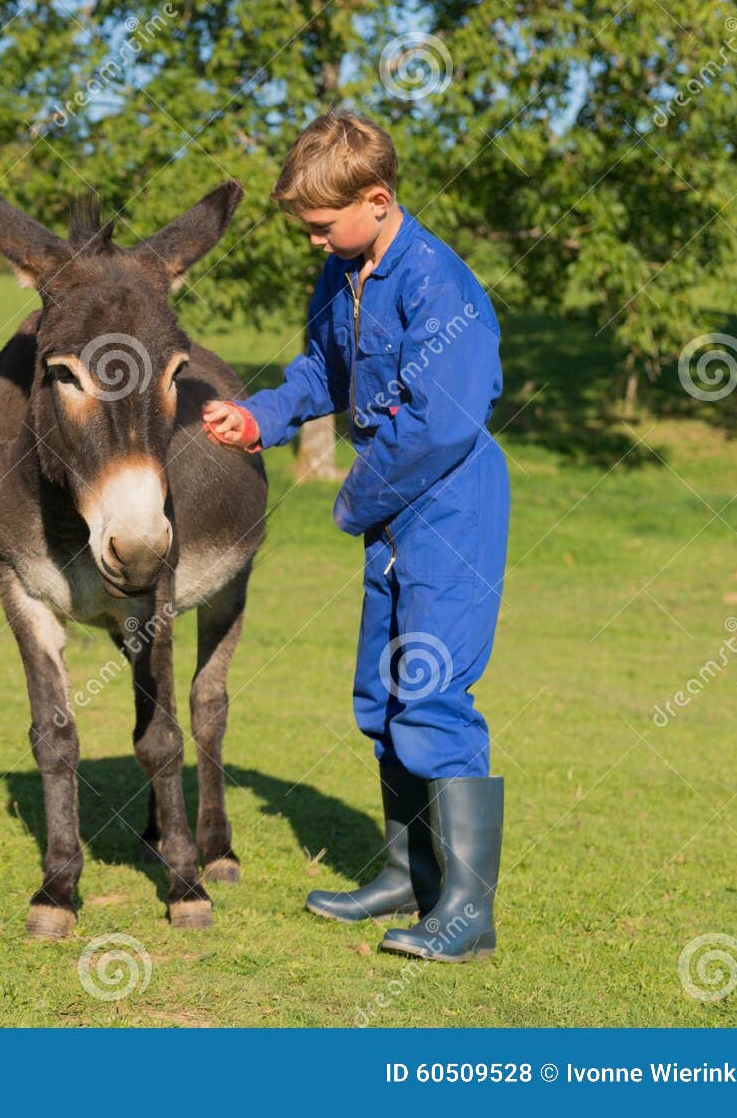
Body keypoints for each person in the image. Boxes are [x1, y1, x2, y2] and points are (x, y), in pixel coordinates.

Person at [203, 111, 508, 962]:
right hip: (393, 506)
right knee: (383, 699)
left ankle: (468, 913)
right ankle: (410, 875)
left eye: (321, 225)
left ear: (376, 200)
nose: (312, 242)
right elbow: (323, 373)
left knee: (435, 695)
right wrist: (255, 418)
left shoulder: (437, 283)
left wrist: (354, 499)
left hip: (447, 503)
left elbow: (444, 421)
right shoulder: (346, 272)